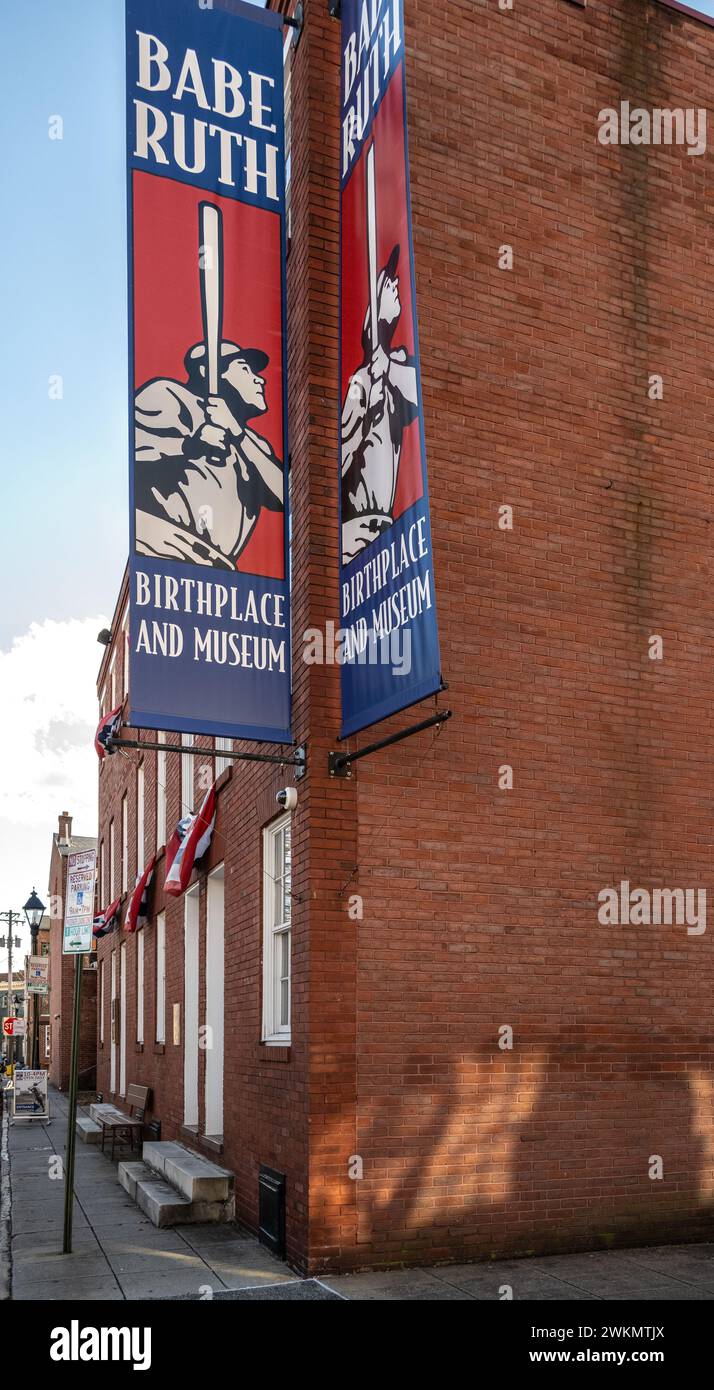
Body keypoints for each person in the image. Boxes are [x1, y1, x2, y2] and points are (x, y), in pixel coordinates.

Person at [135, 340, 284, 570]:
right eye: (245, 369)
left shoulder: (251, 442)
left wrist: (236, 432)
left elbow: (283, 497)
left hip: (216, 570)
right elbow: (135, 462)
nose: (259, 379)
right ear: (209, 372)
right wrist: (191, 446)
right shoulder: (171, 396)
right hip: (164, 550)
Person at [340, 245, 419, 565]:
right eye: (388, 283)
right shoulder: (360, 383)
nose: (396, 284)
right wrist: (362, 415)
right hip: (356, 533)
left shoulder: (396, 370)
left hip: (388, 534)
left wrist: (384, 365)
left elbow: (414, 394)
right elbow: (341, 459)